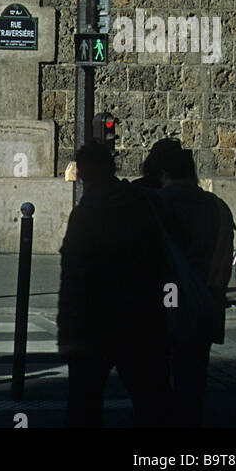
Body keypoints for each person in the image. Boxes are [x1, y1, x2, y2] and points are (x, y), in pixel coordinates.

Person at [58, 140, 172, 428]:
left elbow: (73, 275)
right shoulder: (139, 202)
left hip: (92, 322)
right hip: (140, 317)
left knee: (84, 405)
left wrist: (67, 329)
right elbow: (158, 259)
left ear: (84, 173)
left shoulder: (86, 213)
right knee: (149, 399)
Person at [150, 142, 235, 427]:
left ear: (162, 172)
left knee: (157, 386)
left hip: (159, 308)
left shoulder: (154, 204)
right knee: (194, 386)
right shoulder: (219, 208)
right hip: (204, 307)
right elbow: (224, 264)